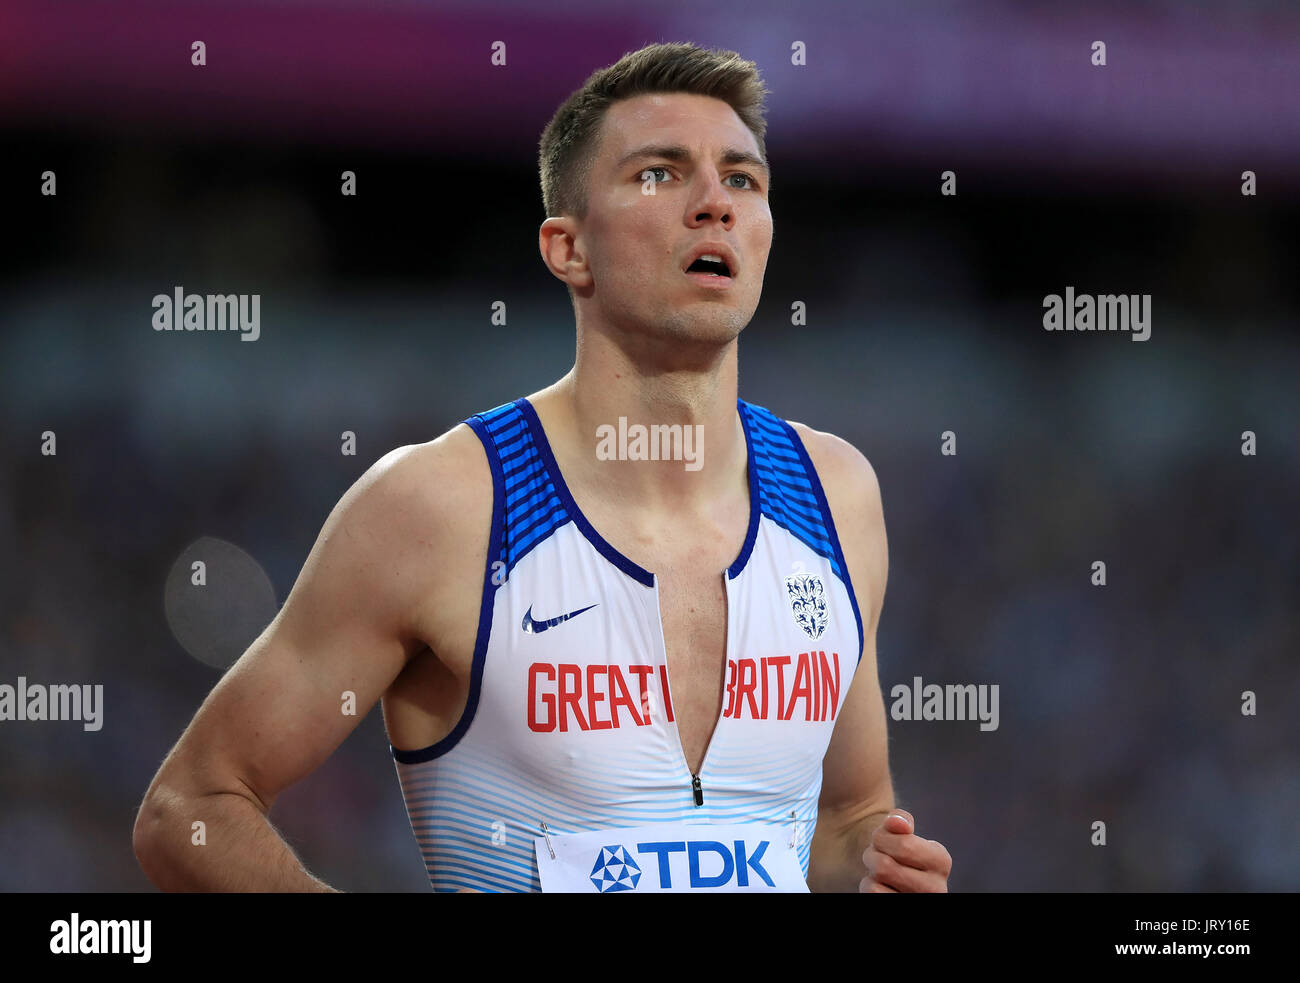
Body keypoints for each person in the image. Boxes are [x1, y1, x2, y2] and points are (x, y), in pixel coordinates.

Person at [133, 41, 952, 893]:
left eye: (742, 180)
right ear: (569, 249)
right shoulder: (440, 506)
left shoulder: (836, 494)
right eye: (661, 174)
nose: (714, 203)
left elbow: (846, 816)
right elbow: (190, 806)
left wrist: (872, 865)